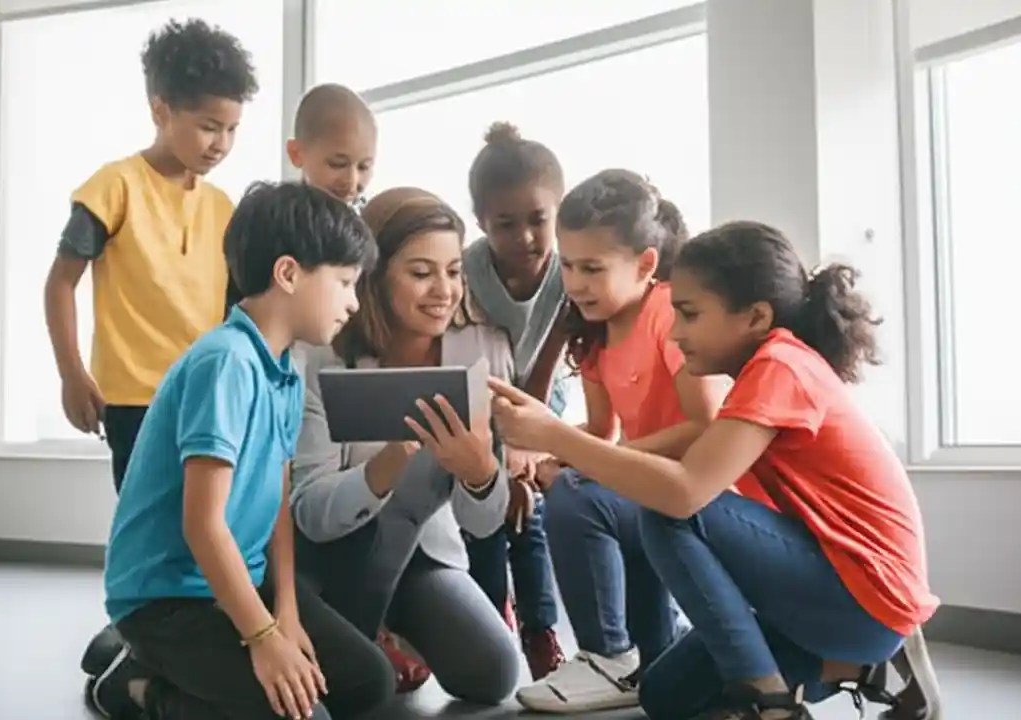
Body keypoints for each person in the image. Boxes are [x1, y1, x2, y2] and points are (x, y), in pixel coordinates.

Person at [489, 221, 944, 720]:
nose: (677, 332)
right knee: (665, 695)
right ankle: (854, 668)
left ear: (754, 317)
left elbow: (684, 494)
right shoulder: (765, 369)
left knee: (669, 512)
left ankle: (769, 701)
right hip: (842, 594)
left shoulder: (782, 366)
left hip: (867, 596)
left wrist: (554, 437)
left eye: (689, 314)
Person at [88, 181, 395, 720]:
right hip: (166, 600)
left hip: (238, 585)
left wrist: (287, 615)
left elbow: (276, 500)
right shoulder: (225, 362)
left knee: (371, 683)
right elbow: (203, 526)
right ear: (288, 273)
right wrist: (263, 637)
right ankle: (140, 689)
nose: (353, 301)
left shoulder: (286, 368)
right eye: (345, 282)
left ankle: (170, 673)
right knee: (304, 715)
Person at [45, 18, 258, 695]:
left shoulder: (225, 207)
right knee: (155, 534)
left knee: (206, 528)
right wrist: (72, 372)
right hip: (135, 397)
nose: (219, 143)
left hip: (209, 396)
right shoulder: (115, 186)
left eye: (230, 129)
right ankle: (138, 645)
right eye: (206, 126)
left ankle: (144, 632)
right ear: (160, 110)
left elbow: (236, 309)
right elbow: (60, 282)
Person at [513, 169, 734, 713]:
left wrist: (594, 461)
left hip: (700, 493)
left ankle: (605, 655)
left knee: (579, 492)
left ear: (645, 265)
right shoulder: (593, 330)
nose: (576, 282)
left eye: (593, 268)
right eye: (566, 266)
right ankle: (649, 656)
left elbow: (703, 427)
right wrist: (546, 453)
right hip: (645, 493)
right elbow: (601, 432)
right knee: (660, 673)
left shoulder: (669, 315)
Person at [290, 187, 521, 706]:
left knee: (493, 673)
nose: (444, 290)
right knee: (345, 685)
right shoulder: (323, 356)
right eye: (421, 273)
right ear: (373, 275)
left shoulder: (479, 349)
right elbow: (311, 514)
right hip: (328, 555)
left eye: (454, 270)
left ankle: (388, 626)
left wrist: (481, 472)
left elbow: (482, 523)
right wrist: (390, 464)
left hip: (423, 551)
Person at [461, 121, 567, 680]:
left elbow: (551, 352)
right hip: (485, 387)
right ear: (482, 222)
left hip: (541, 392)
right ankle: (487, 617)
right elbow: (471, 352)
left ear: (560, 212)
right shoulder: (471, 269)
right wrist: (501, 453)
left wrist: (528, 446)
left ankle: (540, 627)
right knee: (486, 507)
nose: (525, 237)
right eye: (506, 224)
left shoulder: (566, 268)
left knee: (532, 511)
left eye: (538, 220)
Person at [225, 83, 376, 312]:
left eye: (364, 167)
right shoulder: (270, 223)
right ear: (296, 154)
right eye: (337, 164)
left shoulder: (369, 227)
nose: (352, 181)